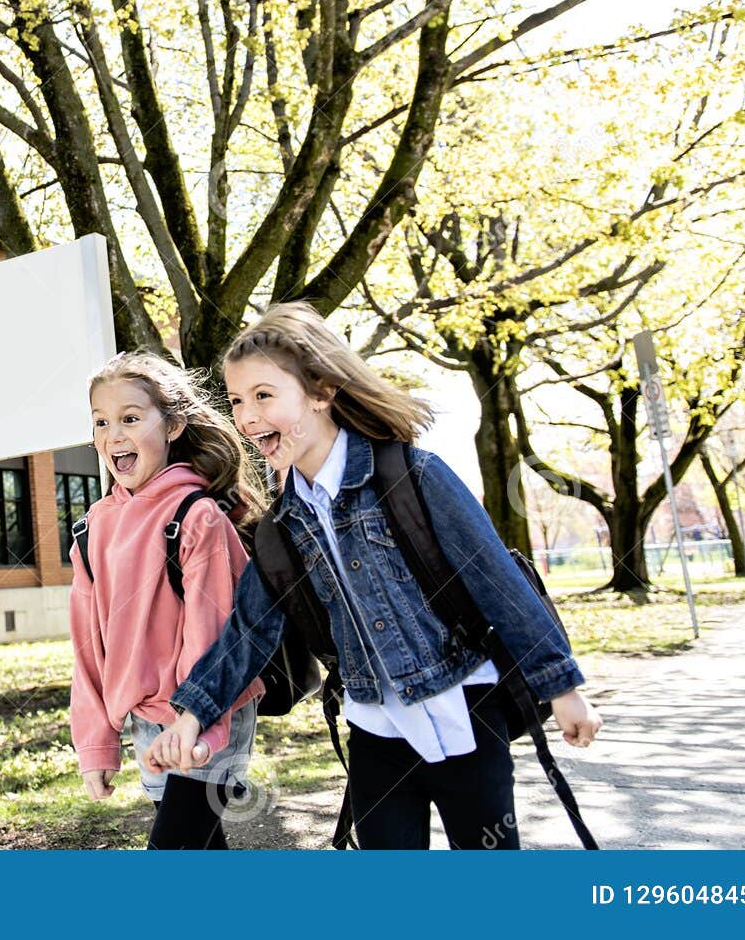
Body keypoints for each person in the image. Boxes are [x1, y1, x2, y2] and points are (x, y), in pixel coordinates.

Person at [144, 303, 603, 849]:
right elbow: (246, 633)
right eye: (238, 401)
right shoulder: (281, 530)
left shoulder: (413, 475)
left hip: (465, 713)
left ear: (320, 391)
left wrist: (562, 687)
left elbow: (498, 581)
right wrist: (191, 716)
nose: (247, 418)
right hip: (376, 732)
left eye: (264, 396)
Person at [70, 352, 266, 848]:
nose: (113, 435)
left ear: (174, 424)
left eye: (131, 419)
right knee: (200, 850)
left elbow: (214, 633)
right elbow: (88, 649)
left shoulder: (198, 516)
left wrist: (199, 726)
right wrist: (96, 746)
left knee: (175, 849)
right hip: (146, 720)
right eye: (101, 422)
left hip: (207, 711)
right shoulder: (90, 529)